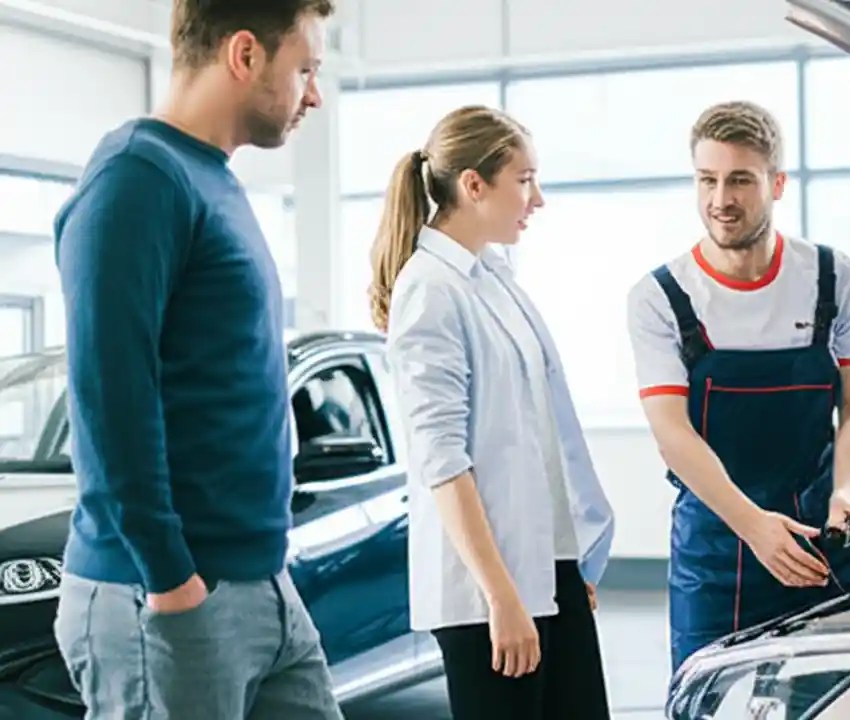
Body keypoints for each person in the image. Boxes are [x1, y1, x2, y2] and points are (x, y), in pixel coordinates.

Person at [50, 2, 343, 718]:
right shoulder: (136, 179)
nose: (315, 94)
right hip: (168, 593)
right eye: (304, 68)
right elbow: (108, 396)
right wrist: (170, 577)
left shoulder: (210, 178)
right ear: (244, 55)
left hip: (260, 584)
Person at [625, 100, 850, 674]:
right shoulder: (662, 297)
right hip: (719, 549)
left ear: (776, 184)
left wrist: (845, 493)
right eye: (707, 180)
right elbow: (672, 436)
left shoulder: (831, 278)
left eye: (740, 180)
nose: (720, 200)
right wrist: (753, 526)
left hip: (825, 536)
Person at [369, 104, 616, 720]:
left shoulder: (492, 279)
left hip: (543, 570)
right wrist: (502, 597)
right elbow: (443, 463)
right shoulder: (430, 290)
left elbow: (539, 437)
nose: (538, 199)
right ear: (473, 185)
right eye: (525, 180)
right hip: (490, 592)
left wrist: (567, 558)